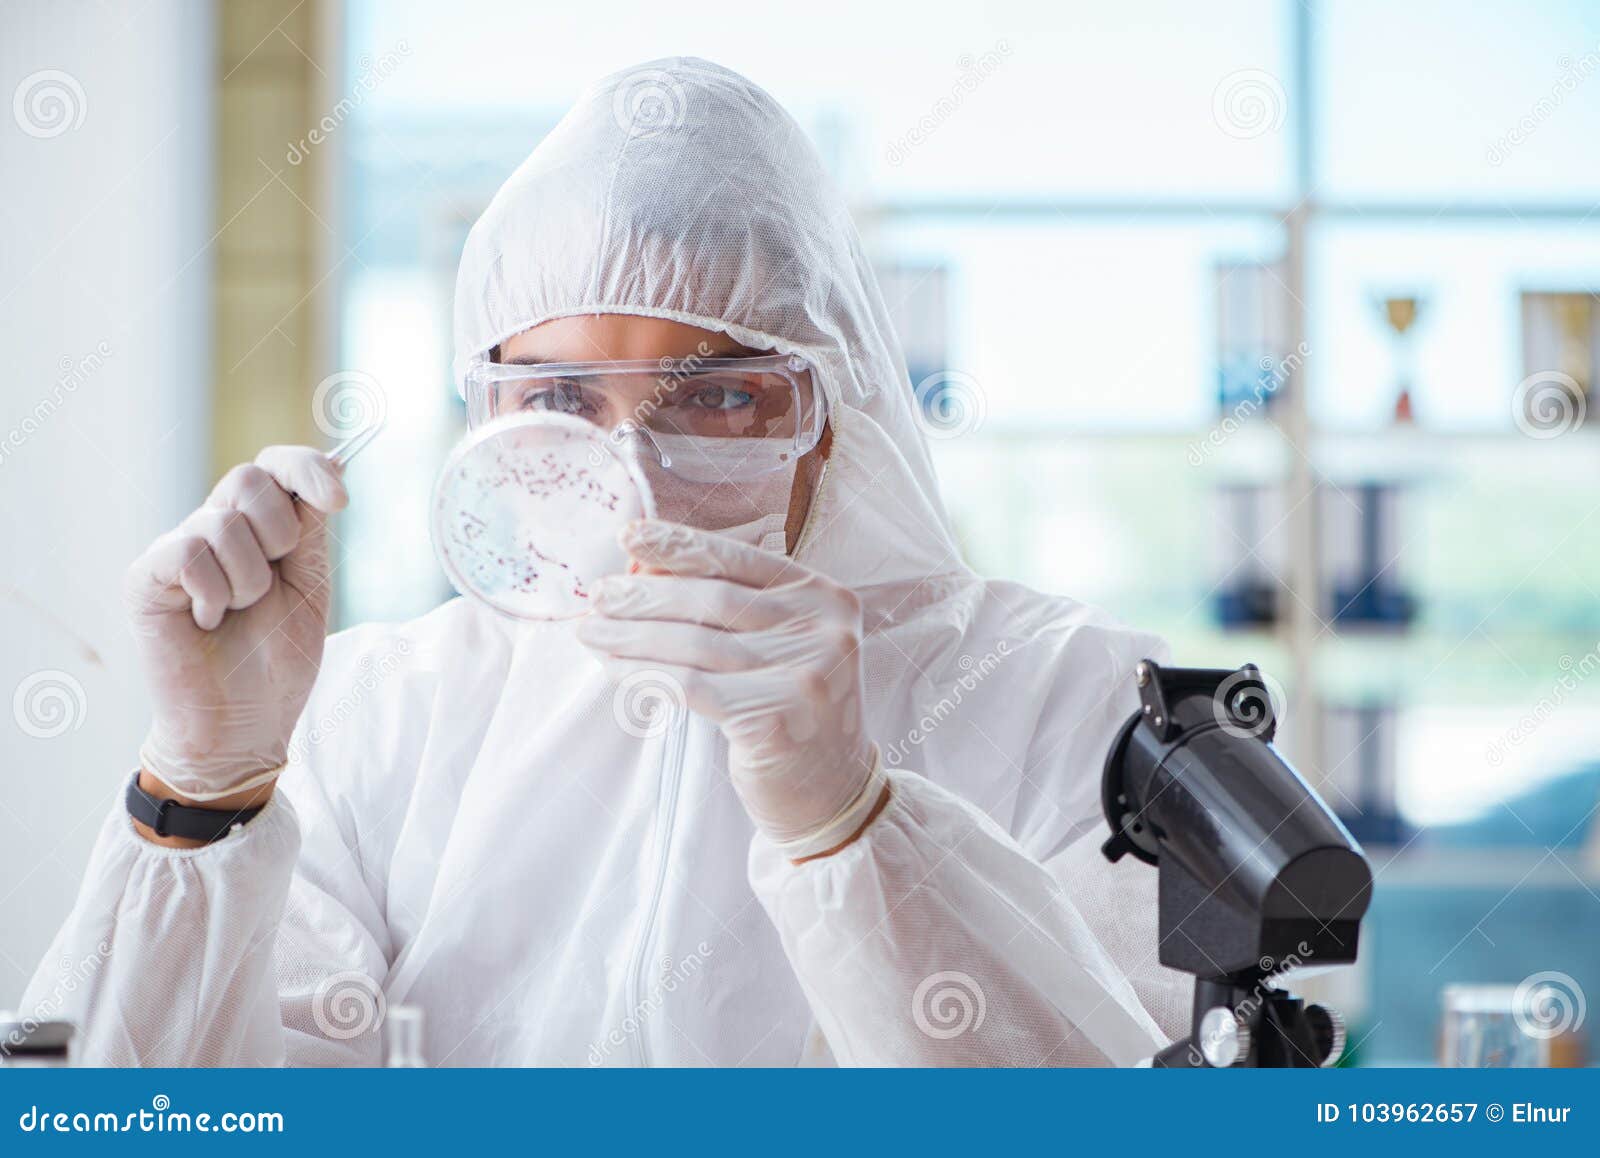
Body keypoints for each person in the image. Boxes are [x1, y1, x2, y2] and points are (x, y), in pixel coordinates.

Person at [22, 58, 1189, 1066]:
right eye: (559, 400)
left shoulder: (1070, 700)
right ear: (489, 420)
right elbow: (143, 1118)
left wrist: (850, 820)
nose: (633, 476)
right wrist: (204, 789)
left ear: (833, 415)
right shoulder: (379, 714)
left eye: (718, 397)